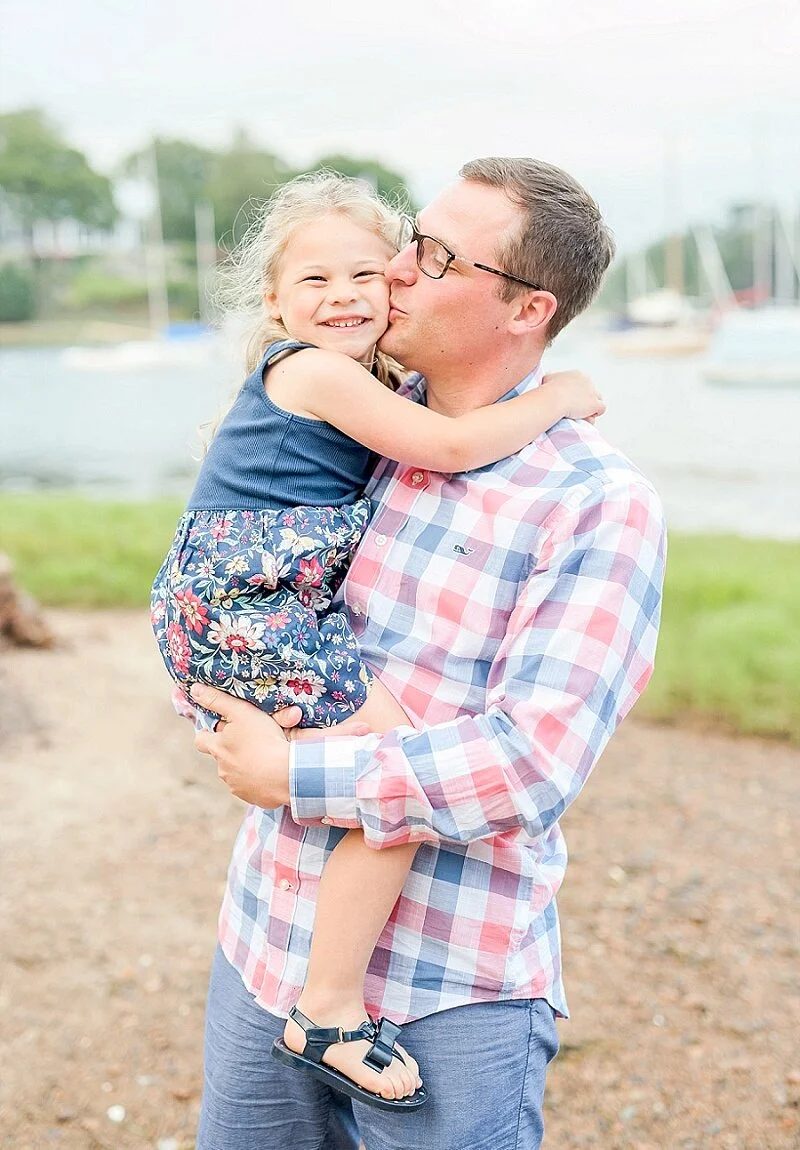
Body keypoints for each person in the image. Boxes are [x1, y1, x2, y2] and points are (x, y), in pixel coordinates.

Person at [188, 157, 667, 1150]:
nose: (394, 270)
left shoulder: (593, 502)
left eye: (436, 256)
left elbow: (528, 764)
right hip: (263, 940)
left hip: (447, 988)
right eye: (411, 239)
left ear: (525, 308)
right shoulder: (355, 417)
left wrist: (290, 770)